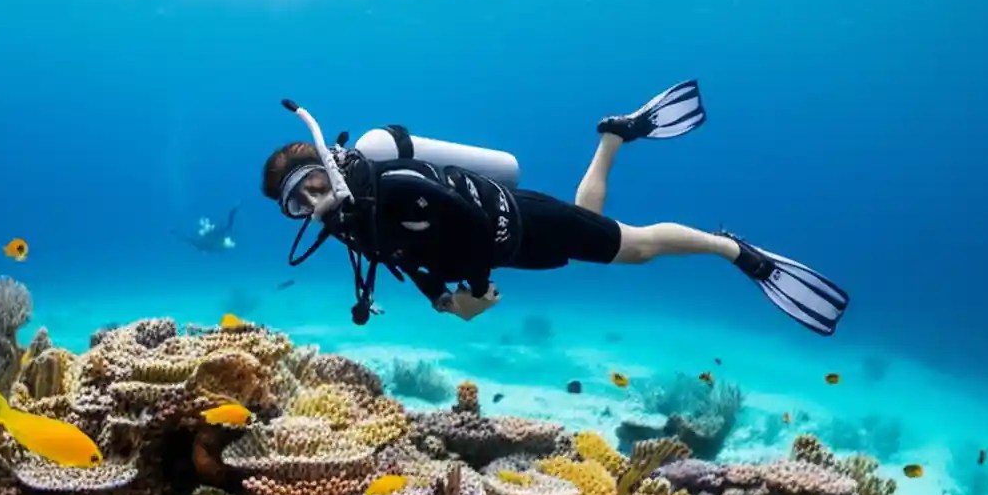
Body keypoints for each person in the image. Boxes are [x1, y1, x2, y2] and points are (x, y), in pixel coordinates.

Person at [260, 81, 849, 335]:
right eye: (298, 204)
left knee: (635, 248)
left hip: (518, 224)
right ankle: (614, 136)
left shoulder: (385, 185)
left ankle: (734, 250)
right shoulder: (347, 222)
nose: (315, 204)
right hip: (516, 241)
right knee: (594, 233)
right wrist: (444, 300)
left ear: (327, 164)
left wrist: (475, 287)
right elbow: (399, 256)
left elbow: (460, 219)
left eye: (313, 184)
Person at [173, 206, 238, 253]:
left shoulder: (201, 244)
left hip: (214, 240)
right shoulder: (203, 244)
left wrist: (177, 234)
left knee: (227, 227)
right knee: (228, 227)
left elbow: (188, 240)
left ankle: (234, 209)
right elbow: (188, 240)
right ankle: (234, 209)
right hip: (215, 240)